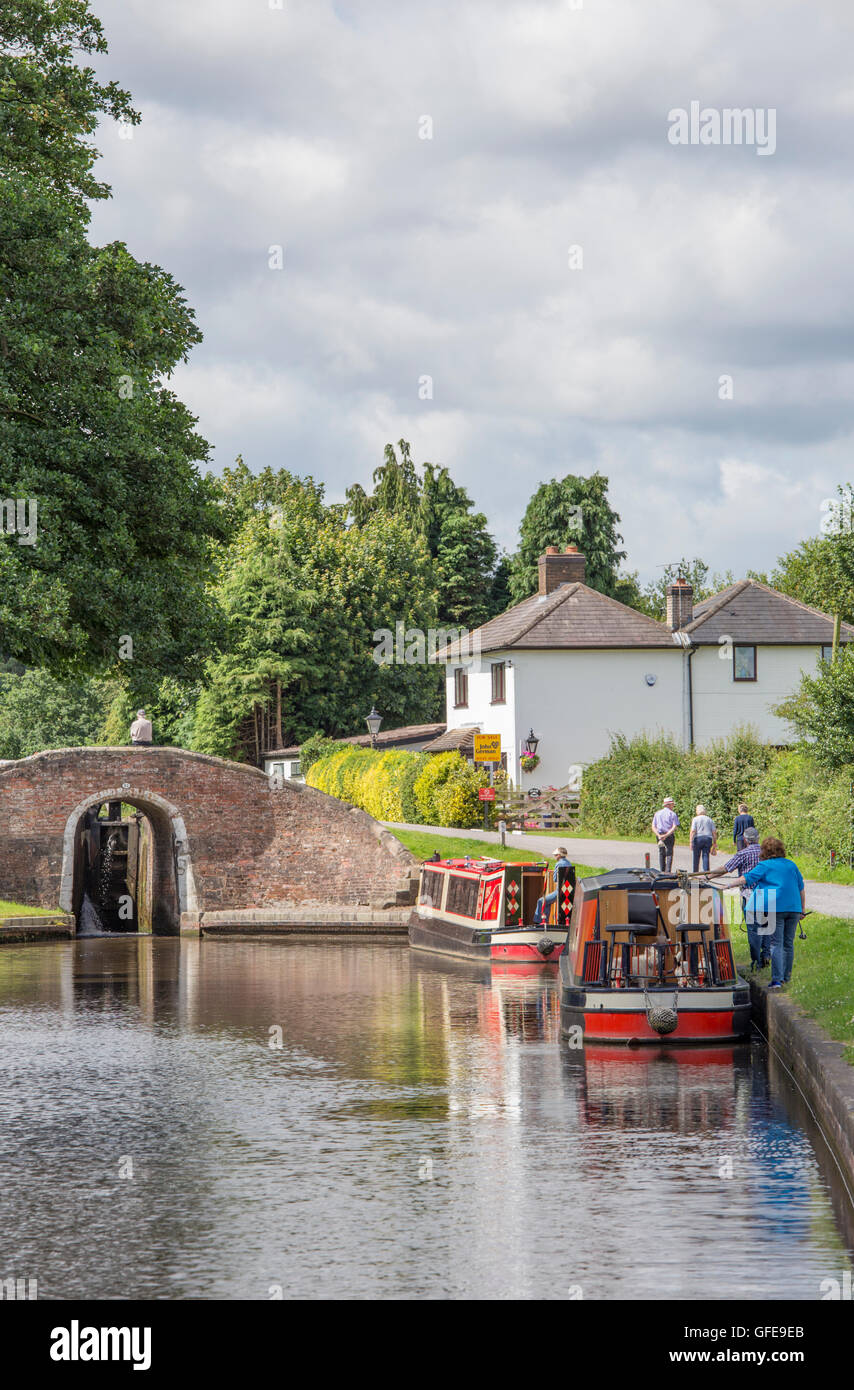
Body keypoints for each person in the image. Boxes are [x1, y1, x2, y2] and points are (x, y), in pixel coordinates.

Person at [735, 837, 805, 990]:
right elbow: (801, 887)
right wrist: (802, 909)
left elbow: (746, 878)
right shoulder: (791, 865)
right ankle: (786, 977)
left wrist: (728, 885)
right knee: (788, 944)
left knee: (775, 944)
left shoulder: (765, 865)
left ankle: (777, 980)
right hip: (794, 908)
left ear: (764, 851)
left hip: (775, 908)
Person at [706, 827, 767, 969]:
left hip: (749, 895)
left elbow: (726, 868)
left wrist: (708, 876)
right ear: (758, 838)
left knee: (753, 929)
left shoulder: (742, 854)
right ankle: (766, 956)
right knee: (766, 927)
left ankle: (756, 961)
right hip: (767, 894)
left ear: (745, 840)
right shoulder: (766, 853)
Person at [533, 847, 573, 925]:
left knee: (541, 901)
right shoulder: (568, 863)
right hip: (568, 890)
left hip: (560, 891)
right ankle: (545, 920)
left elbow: (555, 879)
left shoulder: (559, 864)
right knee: (547, 902)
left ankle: (539, 922)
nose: (554, 857)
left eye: (555, 855)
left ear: (559, 855)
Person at [652, 796, 680, 871]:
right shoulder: (673, 814)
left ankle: (662, 870)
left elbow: (653, 826)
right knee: (669, 853)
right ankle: (668, 871)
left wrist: (659, 835)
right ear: (668, 805)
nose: (673, 806)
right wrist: (666, 835)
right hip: (669, 835)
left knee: (661, 852)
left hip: (659, 835)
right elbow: (674, 826)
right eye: (672, 804)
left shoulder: (657, 813)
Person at [689, 804, 717, 873]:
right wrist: (714, 842)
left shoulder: (695, 819)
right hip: (708, 838)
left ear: (697, 811)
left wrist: (691, 841)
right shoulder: (709, 819)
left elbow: (693, 831)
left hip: (698, 838)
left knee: (696, 856)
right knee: (706, 855)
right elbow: (714, 832)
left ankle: (695, 872)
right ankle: (706, 872)